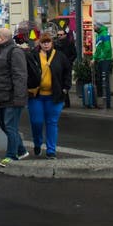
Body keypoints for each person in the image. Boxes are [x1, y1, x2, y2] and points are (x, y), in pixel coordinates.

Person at [0, 27, 29, 166]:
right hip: (1, 96)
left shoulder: (15, 52)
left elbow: (20, 76)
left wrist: (19, 97)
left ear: (3, 38)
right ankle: (21, 150)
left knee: (10, 126)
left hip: (12, 96)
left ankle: (12, 155)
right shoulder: (0, 52)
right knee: (3, 124)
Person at [27, 30, 71, 159]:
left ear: (52, 43)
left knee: (52, 122)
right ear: (39, 43)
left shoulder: (60, 56)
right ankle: (37, 142)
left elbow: (67, 71)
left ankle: (51, 150)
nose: (46, 45)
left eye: (48, 42)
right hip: (36, 95)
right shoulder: (33, 56)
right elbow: (27, 72)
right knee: (36, 122)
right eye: (43, 42)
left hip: (54, 96)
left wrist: (65, 88)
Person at [93, 23, 113, 109]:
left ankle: (107, 103)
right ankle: (103, 102)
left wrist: (102, 57)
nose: (93, 27)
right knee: (101, 81)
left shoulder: (104, 34)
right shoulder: (98, 35)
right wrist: (94, 58)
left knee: (105, 81)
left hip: (105, 60)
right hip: (101, 60)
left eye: (94, 26)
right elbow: (98, 49)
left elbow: (107, 48)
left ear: (98, 26)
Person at [55, 27, 77, 108]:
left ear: (65, 35)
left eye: (61, 35)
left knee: (65, 83)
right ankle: (63, 101)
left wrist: (68, 62)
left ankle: (66, 102)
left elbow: (74, 54)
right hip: (58, 66)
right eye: (58, 35)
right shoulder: (56, 44)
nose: (59, 36)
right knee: (59, 83)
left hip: (67, 66)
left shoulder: (69, 43)